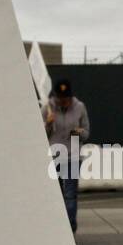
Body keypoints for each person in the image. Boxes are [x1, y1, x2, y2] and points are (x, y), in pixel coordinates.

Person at [44, 78, 89, 234]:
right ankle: (56, 227)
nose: (64, 102)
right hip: (54, 157)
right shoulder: (48, 108)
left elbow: (86, 132)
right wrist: (48, 124)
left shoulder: (80, 108)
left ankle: (70, 227)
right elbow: (41, 136)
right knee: (55, 195)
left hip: (73, 157)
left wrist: (76, 132)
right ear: (56, 96)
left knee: (70, 194)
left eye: (66, 98)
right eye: (61, 98)